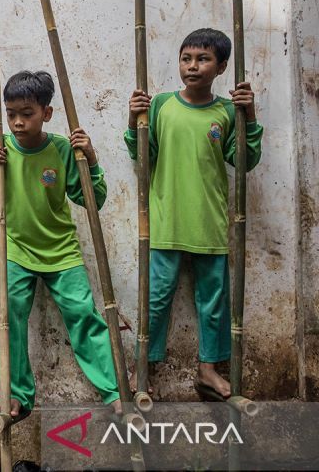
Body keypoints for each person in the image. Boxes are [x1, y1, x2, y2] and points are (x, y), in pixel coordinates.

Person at [125, 28, 264, 399]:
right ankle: (143, 370)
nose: (193, 66)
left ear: (221, 67)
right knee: (155, 298)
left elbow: (244, 161)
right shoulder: (160, 105)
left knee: (214, 301)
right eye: (187, 58)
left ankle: (207, 371)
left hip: (210, 221)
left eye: (203, 59)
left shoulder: (226, 111)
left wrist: (250, 116)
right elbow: (143, 156)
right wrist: (131, 120)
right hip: (166, 220)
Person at [0, 70, 121, 417]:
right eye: (11, 114)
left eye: (26, 113)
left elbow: (92, 199)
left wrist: (91, 160)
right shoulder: (2, 146)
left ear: (46, 113)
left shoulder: (60, 148)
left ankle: (115, 389)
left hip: (61, 251)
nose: (16, 122)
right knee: (9, 319)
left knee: (84, 314)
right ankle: (16, 394)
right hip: (17, 250)